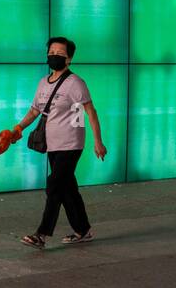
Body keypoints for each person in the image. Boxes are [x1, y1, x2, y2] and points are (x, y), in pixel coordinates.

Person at [14, 36, 107, 248]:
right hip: (52, 144)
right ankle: (83, 230)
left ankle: (42, 234)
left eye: (60, 54)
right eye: (51, 52)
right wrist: (17, 128)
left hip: (71, 144)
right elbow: (34, 110)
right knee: (67, 190)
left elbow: (90, 112)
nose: (54, 56)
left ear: (70, 58)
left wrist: (98, 141)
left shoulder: (75, 83)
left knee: (54, 186)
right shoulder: (42, 83)